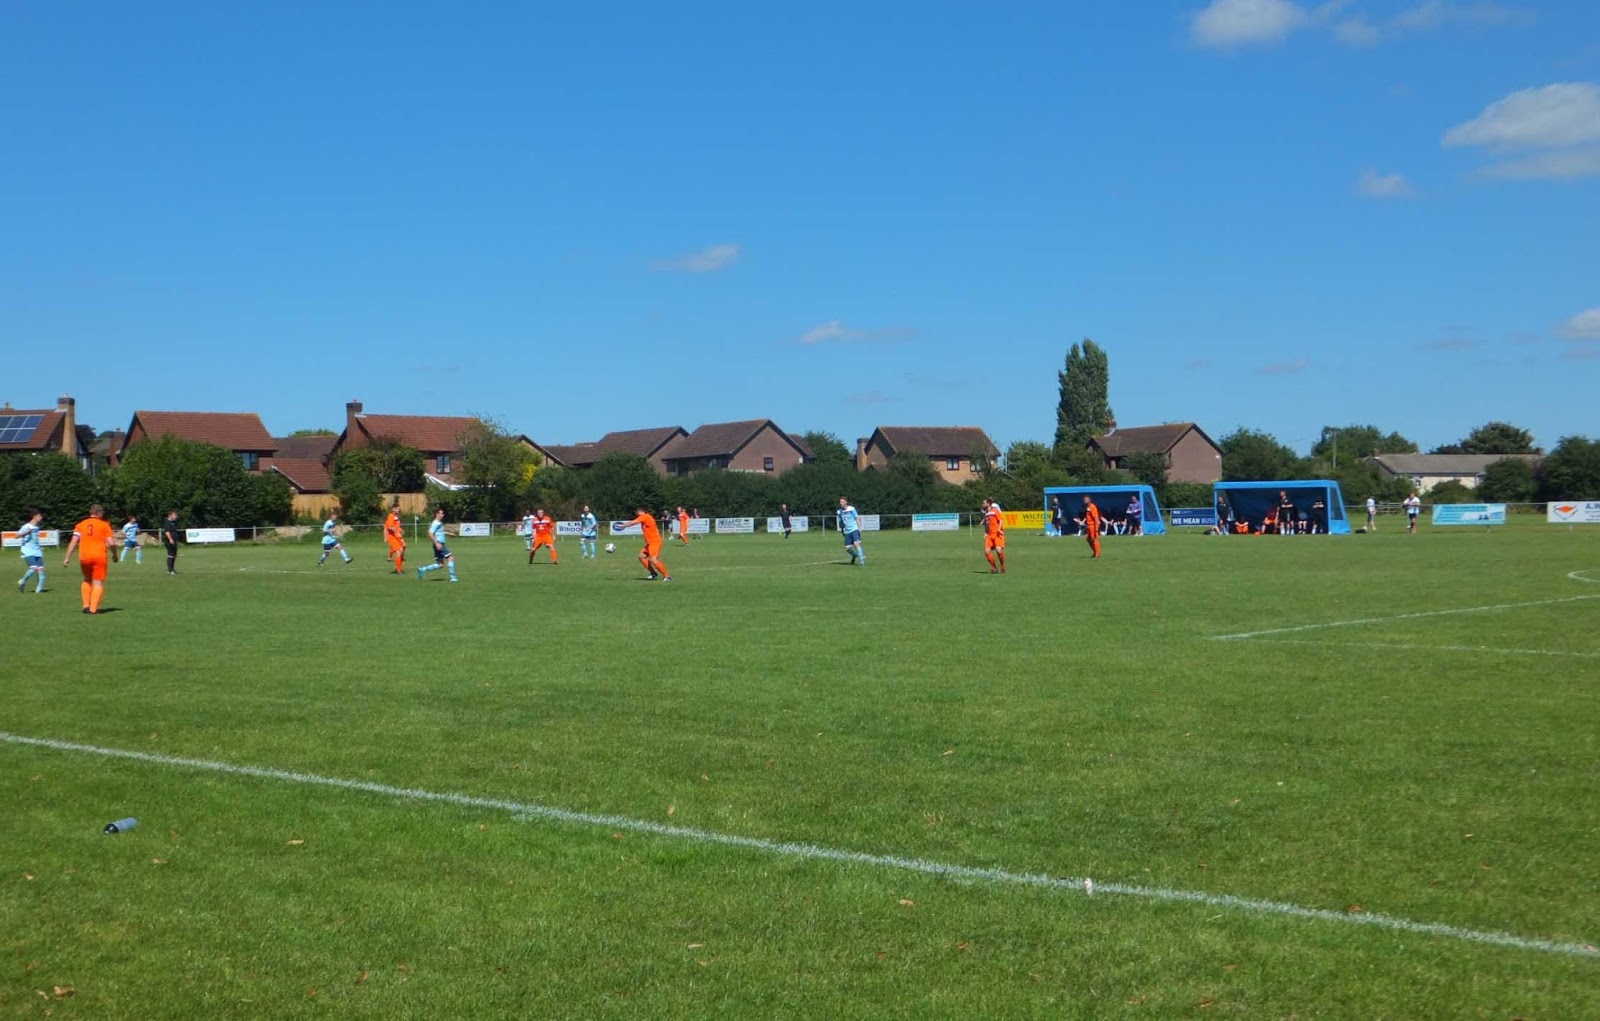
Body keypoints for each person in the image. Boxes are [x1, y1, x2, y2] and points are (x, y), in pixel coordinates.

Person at [63, 503, 115, 614]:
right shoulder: (104, 525)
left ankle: (86, 606)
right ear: (99, 513)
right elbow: (111, 543)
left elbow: (73, 542)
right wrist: (115, 554)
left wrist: (67, 558)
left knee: (87, 579)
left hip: (84, 556)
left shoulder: (80, 525)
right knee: (97, 582)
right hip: (99, 556)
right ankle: (93, 609)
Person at [621, 506, 671, 581]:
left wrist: (623, 525)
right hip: (650, 543)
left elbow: (633, 522)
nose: (637, 515)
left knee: (653, 560)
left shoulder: (644, 516)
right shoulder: (647, 517)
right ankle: (653, 573)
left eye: (636, 513)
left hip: (654, 542)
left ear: (639, 512)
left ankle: (667, 576)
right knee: (641, 557)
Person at [418, 508, 458, 582]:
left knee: (440, 565)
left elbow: (440, 532)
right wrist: (436, 543)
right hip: (439, 544)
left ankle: (422, 569)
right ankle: (453, 578)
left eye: (443, 513)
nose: (443, 515)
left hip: (438, 544)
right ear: (437, 514)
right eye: (441, 513)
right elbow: (430, 533)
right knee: (451, 558)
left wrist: (449, 533)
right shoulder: (435, 523)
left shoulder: (438, 523)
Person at [16, 510, 46, 594]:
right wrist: (26, 532)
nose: (41, 518)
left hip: (37, 551)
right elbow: (16, 536)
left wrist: (39, 546)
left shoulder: (37, 527)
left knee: (41, 570)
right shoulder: (26, 526)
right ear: (34, 516)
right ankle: (22, 581)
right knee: (33, 568)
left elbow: (35, 539)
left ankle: (38, 591)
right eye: (39, 516)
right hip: (28, 550)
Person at [838, 497, 866, 565]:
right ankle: (854, 555)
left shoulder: (851, 508)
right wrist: (842, 530)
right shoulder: (839, 511)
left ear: (846, 502)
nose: (840, 503)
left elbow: (857, 518)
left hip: (854, 529)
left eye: (842, 501)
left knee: (857, 544)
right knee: (848, 548)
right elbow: (841, 522)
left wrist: (859, 528)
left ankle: (862, 562)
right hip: (847, 531)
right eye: (840, 502)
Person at [982, 498, 1006, 574]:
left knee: (999, 550)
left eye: (984, 503)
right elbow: (986, 524)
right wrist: (986, 532)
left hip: (997, 533)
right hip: (989, 534)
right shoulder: (986, 513)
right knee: (986, 551)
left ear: (988, 504)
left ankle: (1002, 566)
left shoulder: (995, 511)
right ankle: (994, 568)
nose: (983, 504)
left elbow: (1001, 520)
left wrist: (999, 529)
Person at [384, 501, 407, 575]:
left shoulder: (396, 516)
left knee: (403, 547)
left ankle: (399, 564)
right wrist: (396, 532)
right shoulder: (391, 516)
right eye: (397, 509)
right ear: (393, 509)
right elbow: (390, 527)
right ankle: (398, 570)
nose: (398, 510)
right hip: (392, 537)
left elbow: (397, 526)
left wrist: (401, 530)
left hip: (397, 536)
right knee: (399, 551)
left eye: (398, 509)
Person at [161, 511, 180, 575]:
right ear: (170, 515)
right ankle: (170, 570)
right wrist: (170, 539)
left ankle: (172, 569)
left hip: (174, 540)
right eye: (174, 515)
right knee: (171, 555)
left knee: (174, 555)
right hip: (169, 541)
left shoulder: (172, 522)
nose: (176, 517)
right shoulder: (167, 522)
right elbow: (167, 532)